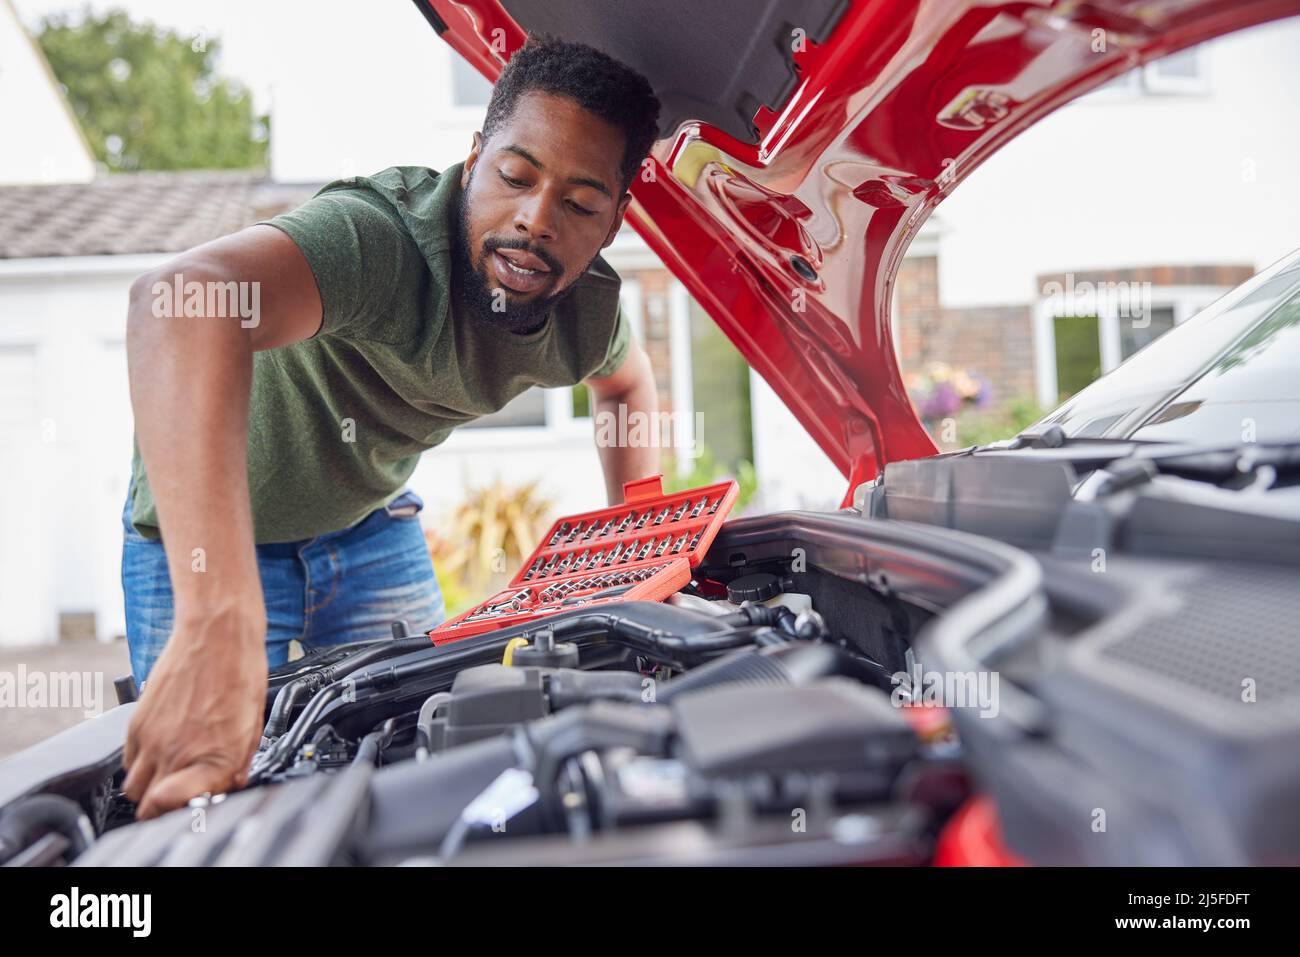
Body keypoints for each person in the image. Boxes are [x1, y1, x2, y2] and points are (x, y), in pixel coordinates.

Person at [120, 35, 663, 819]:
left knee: (424, 759)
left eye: (579, 204)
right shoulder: (379, 240)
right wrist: (219, 617)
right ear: (474, 157)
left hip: (369, 528)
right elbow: (176, 303)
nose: (535, 220)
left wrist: (631, 545)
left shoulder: (583, 315)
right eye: (515, 175)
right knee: (203, 794)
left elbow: (627, 384)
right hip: (208, 548)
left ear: (615, 220)